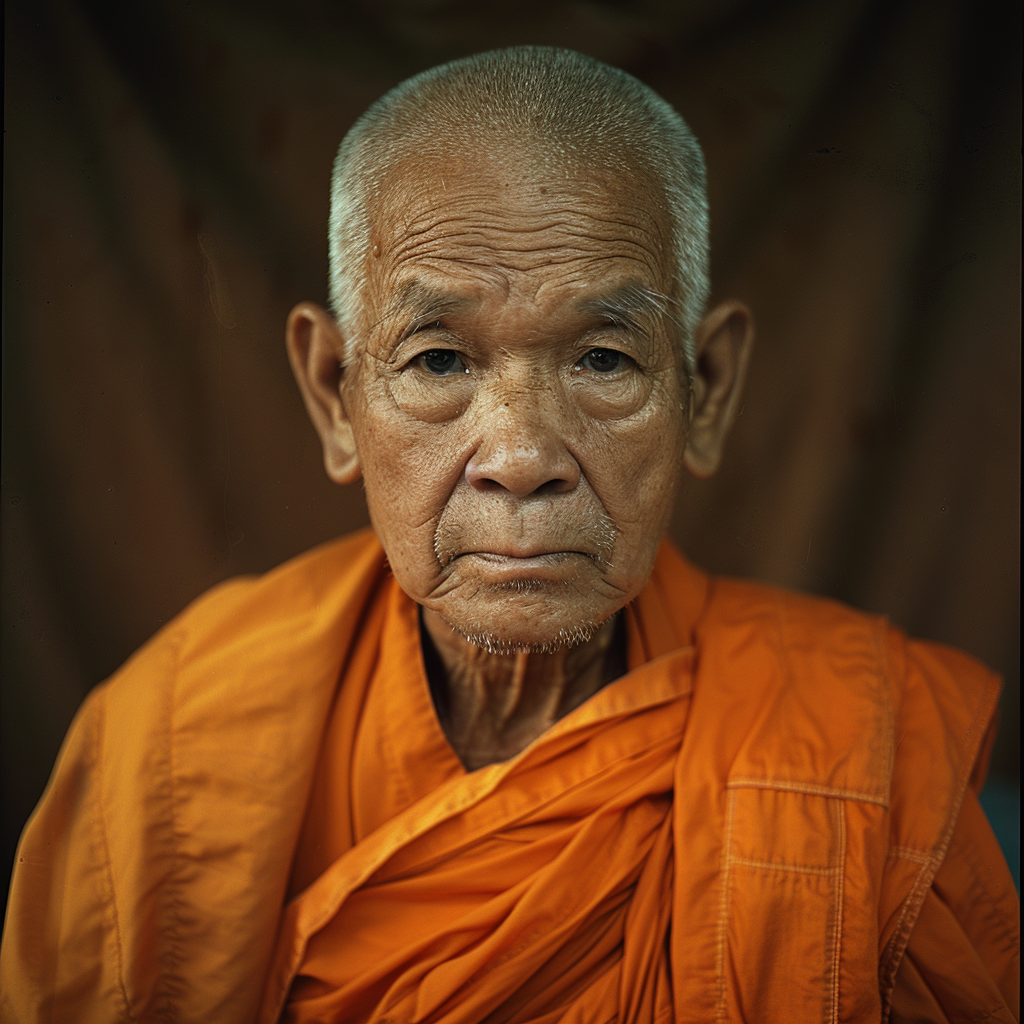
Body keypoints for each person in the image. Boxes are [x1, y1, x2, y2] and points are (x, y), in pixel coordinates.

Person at [1, 46, 1017, 1024]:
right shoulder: (171, 748)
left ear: (705, 391)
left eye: (604, 360)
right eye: (439, 361)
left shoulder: (862, 762)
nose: (521, 453)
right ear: (332, 396)